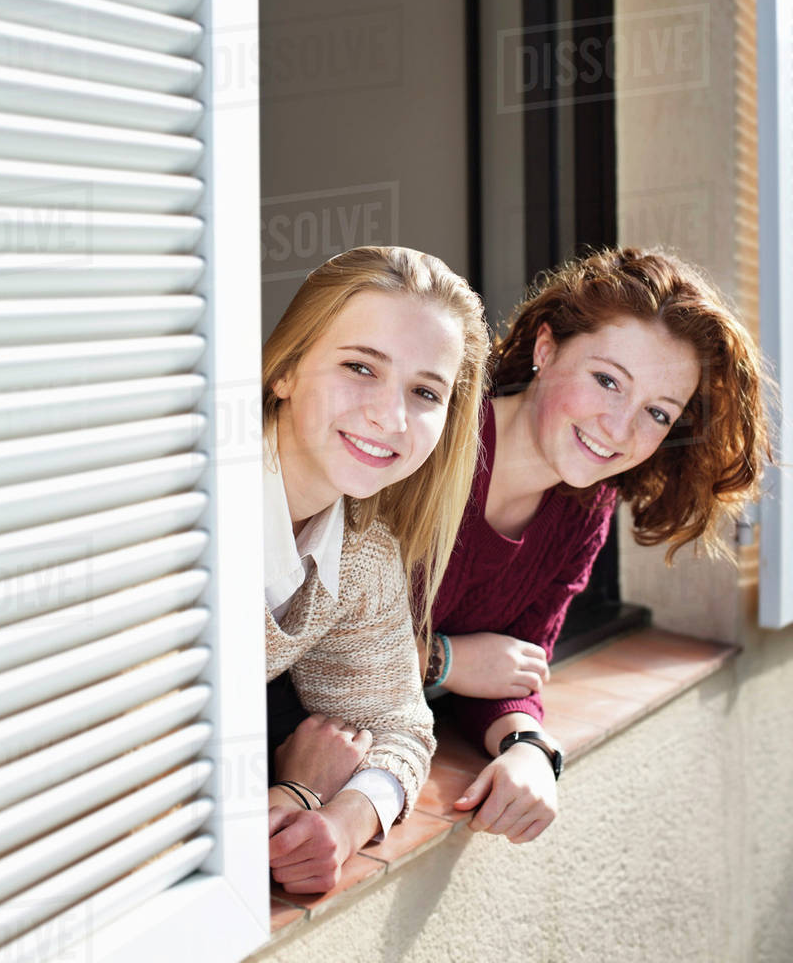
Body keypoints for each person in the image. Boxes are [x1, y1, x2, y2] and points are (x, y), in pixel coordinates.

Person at [416, 246, 770, 847]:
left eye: (657, 413)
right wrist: (444, 661)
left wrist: (527, 749)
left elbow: (513, 669)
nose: (621, 429)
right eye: (607, 381)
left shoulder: (585, 508)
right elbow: (321, 635)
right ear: (546, 350)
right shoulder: (428, 443)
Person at [263, 245, 489, 894]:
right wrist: (298, 790)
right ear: (285, 369)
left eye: (425, 392)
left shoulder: (361, 546)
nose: (390, 417)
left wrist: (345, 819)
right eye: (360, 367)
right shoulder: (182, 513)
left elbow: (396, 724)